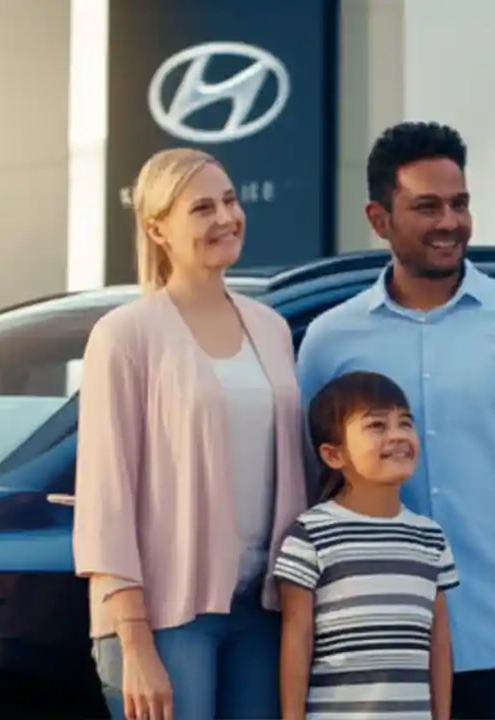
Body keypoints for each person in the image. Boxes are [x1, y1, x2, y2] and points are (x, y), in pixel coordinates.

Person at [296, 121, 495, 719]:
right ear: (378, 218)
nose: (450, 222)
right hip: (381, 648)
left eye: (460, 203)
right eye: (427, 206)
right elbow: (310, 488)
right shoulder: (329, 341)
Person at [72, 147, 309, 720]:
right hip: (165, 614)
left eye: (229, 201)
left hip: (262, 606)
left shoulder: (272, 328)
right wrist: (134, 642)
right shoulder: (125, 335)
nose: (226, 218)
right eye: (202, 207)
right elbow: (107, 496)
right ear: (158, 228)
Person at [275, 371, 458, 720]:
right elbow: (296, 640)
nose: (398, 436)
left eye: (405, 423)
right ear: (333, 455)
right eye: (377, 426)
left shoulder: (429, 536)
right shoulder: (311, 534)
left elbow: (439, 643)